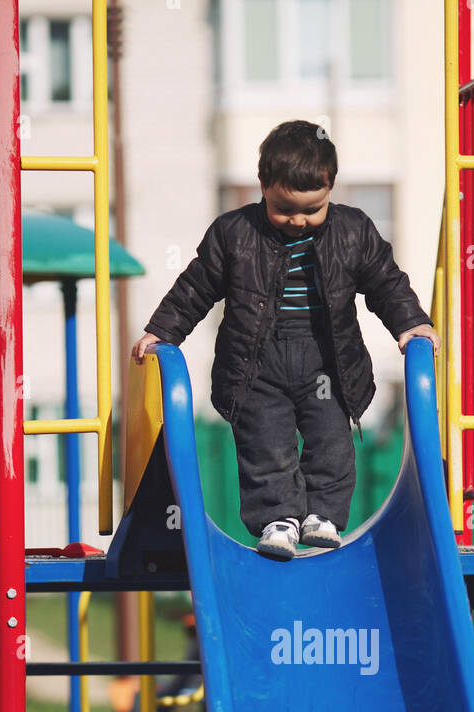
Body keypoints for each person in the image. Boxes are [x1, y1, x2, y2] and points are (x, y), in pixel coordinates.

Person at [132, 119, 439, 560]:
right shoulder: (235, 233)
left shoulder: (352, 231)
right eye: (284, 208)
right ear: (262, 186)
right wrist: (163, 330)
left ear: (331, 187)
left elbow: (385, 282)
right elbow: (196, 286)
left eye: (313, 209)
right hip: (256, 362)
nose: (298, 220)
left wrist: (409, 322)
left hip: (328, 361)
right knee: (264, 444)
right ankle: (277, 519)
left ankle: (324, 517)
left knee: (332, 443)